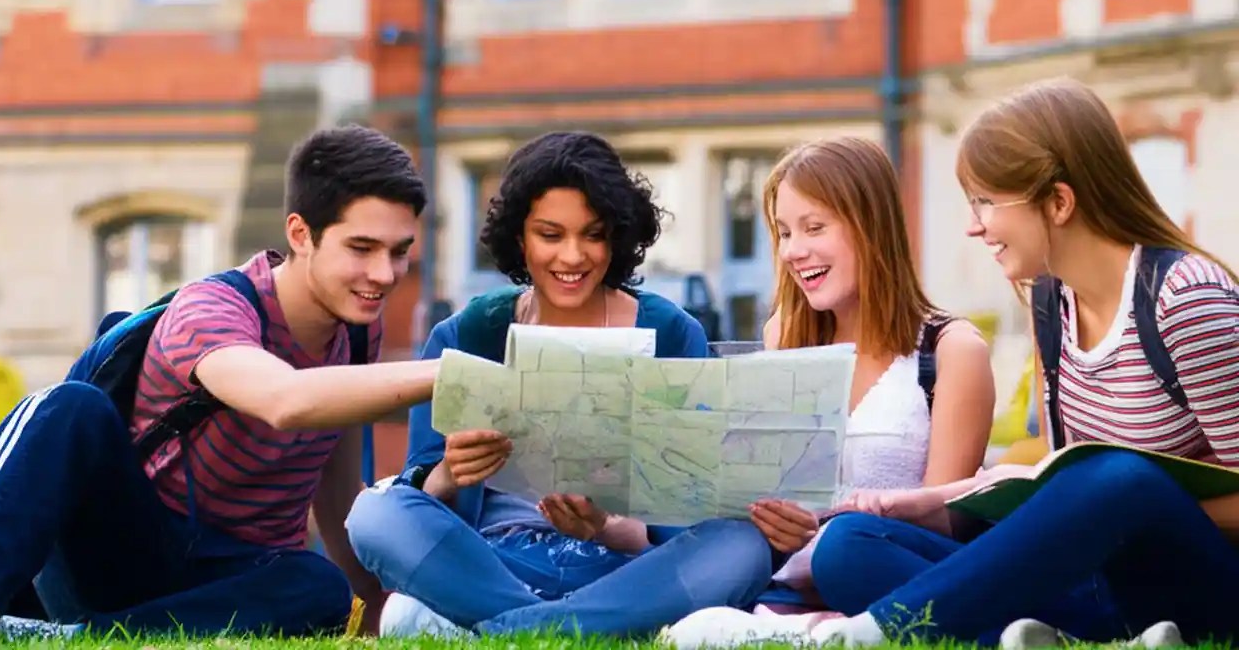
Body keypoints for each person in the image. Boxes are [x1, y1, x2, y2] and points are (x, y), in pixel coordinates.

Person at [743, 78, 1239, 649]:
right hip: (1104, 583)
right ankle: (1063, 639)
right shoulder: (1052, 303)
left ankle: (868, 634)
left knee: (1121, 476)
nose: (973, 226)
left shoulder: (1184, 298)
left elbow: (1103, 489)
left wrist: (1130, 501)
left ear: (1058, 202)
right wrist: (934, 500)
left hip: (1200, 582)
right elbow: (1061, 482)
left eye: (985, 202)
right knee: (850, 544)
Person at [0, 125, 442, 638]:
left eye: (398, 251)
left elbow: (338, 491)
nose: (385, 274)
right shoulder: (215, 307)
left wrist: (379, 613)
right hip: (121, 549)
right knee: (69, 406)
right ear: (300, 234)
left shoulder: (357, 332)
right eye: (362, 248)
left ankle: (83, 638)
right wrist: (450, 371)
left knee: (319, 587)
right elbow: (284, 399)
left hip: (226, 578)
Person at [546, 137, 996, 647]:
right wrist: (608, 520)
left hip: (872, 567)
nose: (792, 250)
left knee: (844, 549)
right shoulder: (784, 336)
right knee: (704, 594)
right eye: (783, 232)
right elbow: (744, 502)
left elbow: (946, 527)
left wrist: (831, 524)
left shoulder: (951, 350)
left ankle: (826, 627)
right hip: (775, 576)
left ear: (871, 226)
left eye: (814, 227)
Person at [345, 130, 777, 639]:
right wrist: (449, 473)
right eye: (550, 235)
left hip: (625, 573)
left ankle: (516, 630)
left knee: (742, 543)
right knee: (374, 510)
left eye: (592, 235)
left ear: (615, 237)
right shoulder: (468, 332)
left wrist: (605, 526)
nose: (572, 257)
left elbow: (690, 506)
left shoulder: (671, 331)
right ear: (520, 239)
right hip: (489, 567)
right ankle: (566, 628)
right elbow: (421, 492)